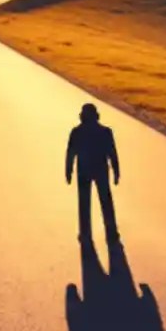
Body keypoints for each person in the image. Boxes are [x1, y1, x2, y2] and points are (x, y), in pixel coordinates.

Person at [65, 103, 121, 243]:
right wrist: (116, 171)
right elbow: (112, 153)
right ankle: (111, 232)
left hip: (84, 170)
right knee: (106, 202)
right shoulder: (105, 132)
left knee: (84, 203)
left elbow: (70, 153)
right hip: (100, 169)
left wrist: (68, 170)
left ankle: (85, 233)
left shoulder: (76, 132)